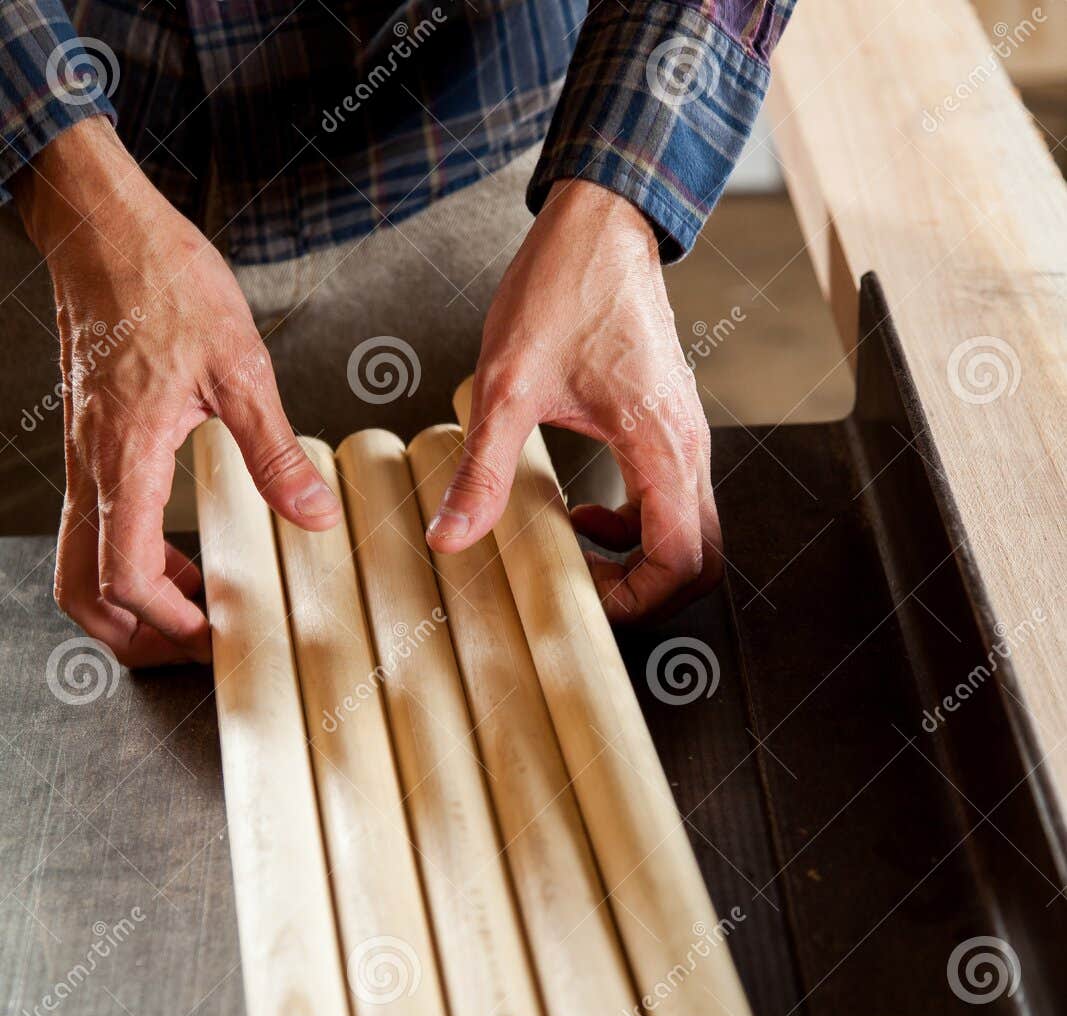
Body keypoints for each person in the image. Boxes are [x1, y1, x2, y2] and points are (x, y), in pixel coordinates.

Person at [0, 1, 796, 666]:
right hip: (43, 194)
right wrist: (78, 199)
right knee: (77, 644)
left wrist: (618, 203)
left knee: (537, 653)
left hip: (500, 170)